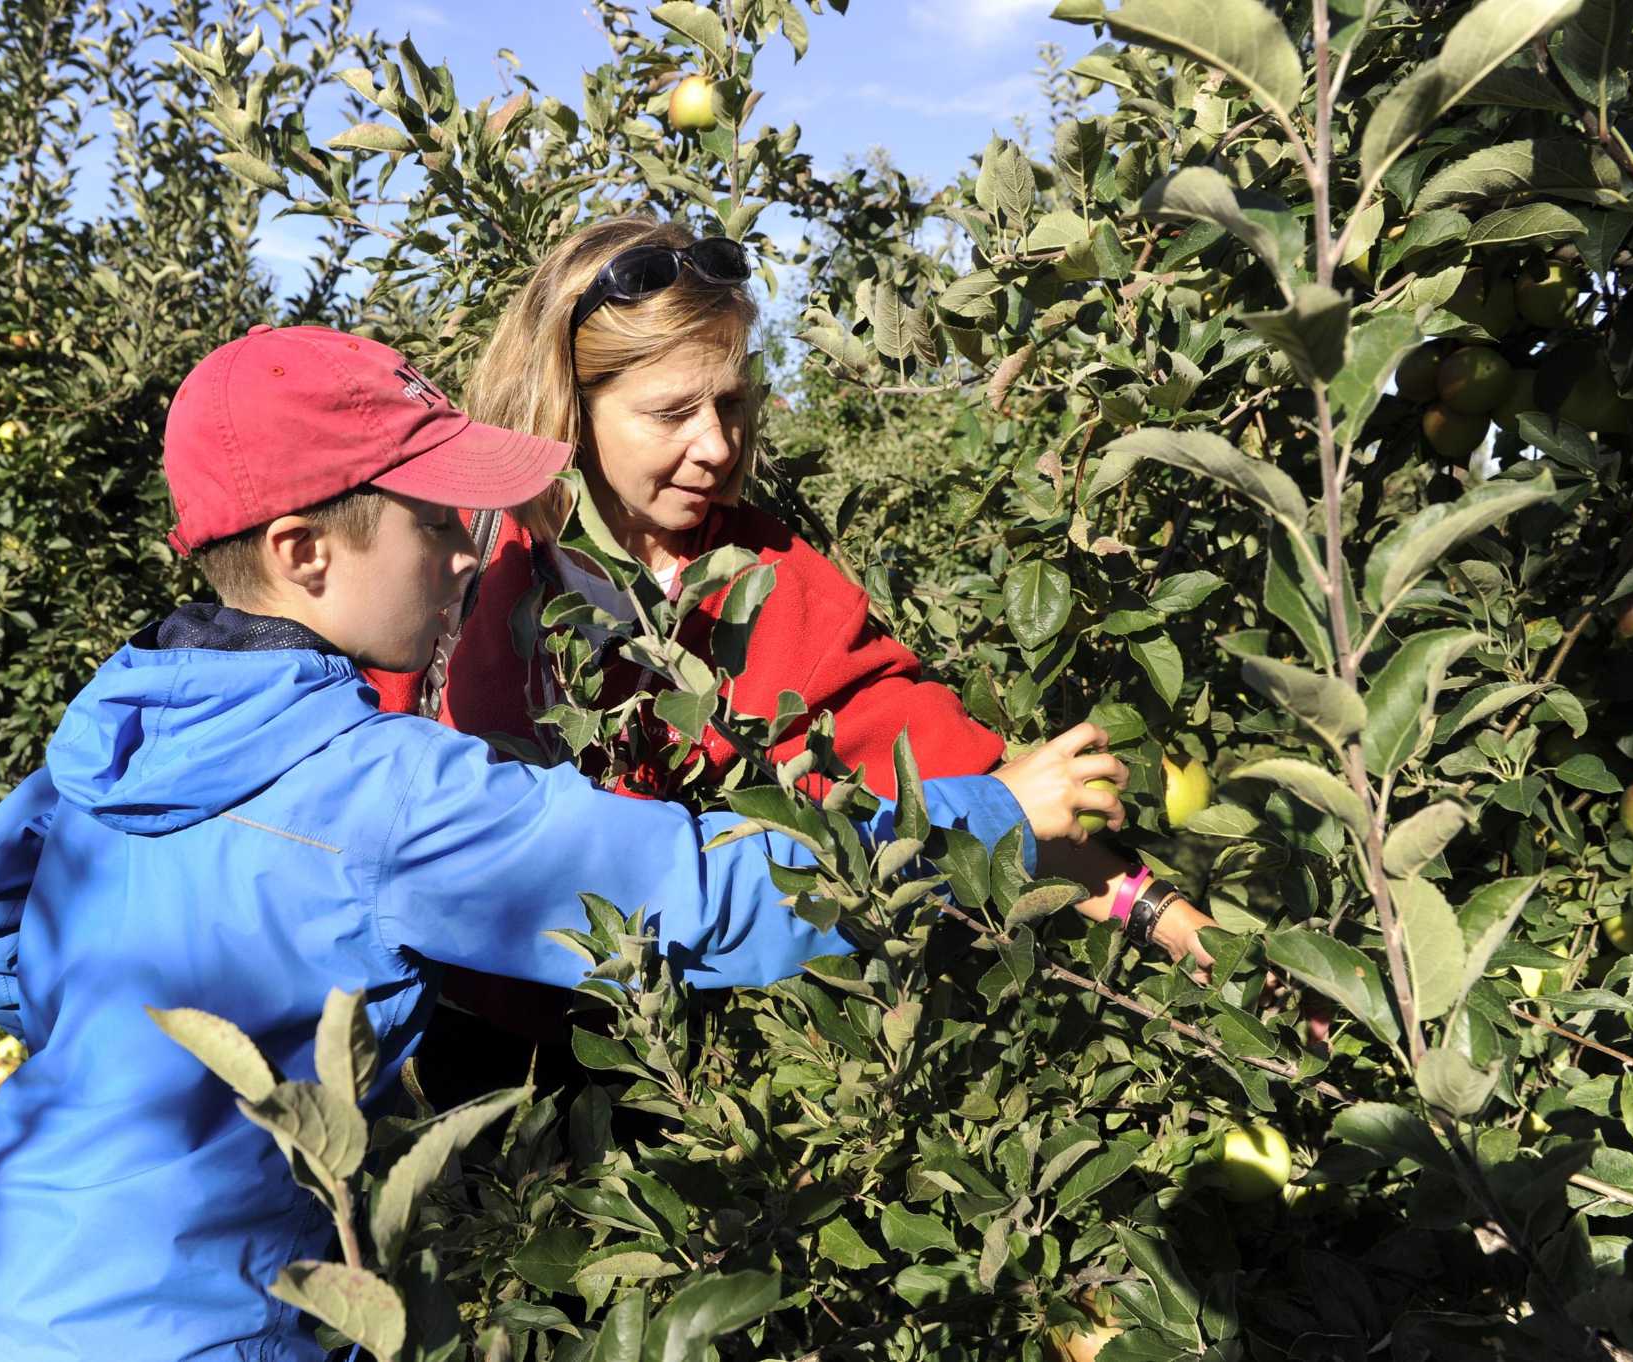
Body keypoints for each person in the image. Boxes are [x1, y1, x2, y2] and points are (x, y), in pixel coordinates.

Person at [0, 324, 1118, 1362]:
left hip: (13, 1277)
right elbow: (694, 900)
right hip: (198, 1326)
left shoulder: (120, 724)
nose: (461, 549)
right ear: (303, 551)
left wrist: (141, 1054)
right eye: (432, 520)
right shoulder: (378, 793)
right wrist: (995, 812)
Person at [366, 218, 1217, 1048]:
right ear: (566, 412)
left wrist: (1160, 912)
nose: (717, 446)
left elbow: (946, 763)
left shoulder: (766, 575)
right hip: (455, 1028)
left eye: (732, 403)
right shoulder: (455, 558)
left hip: (667, 1061)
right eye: (671, 413)